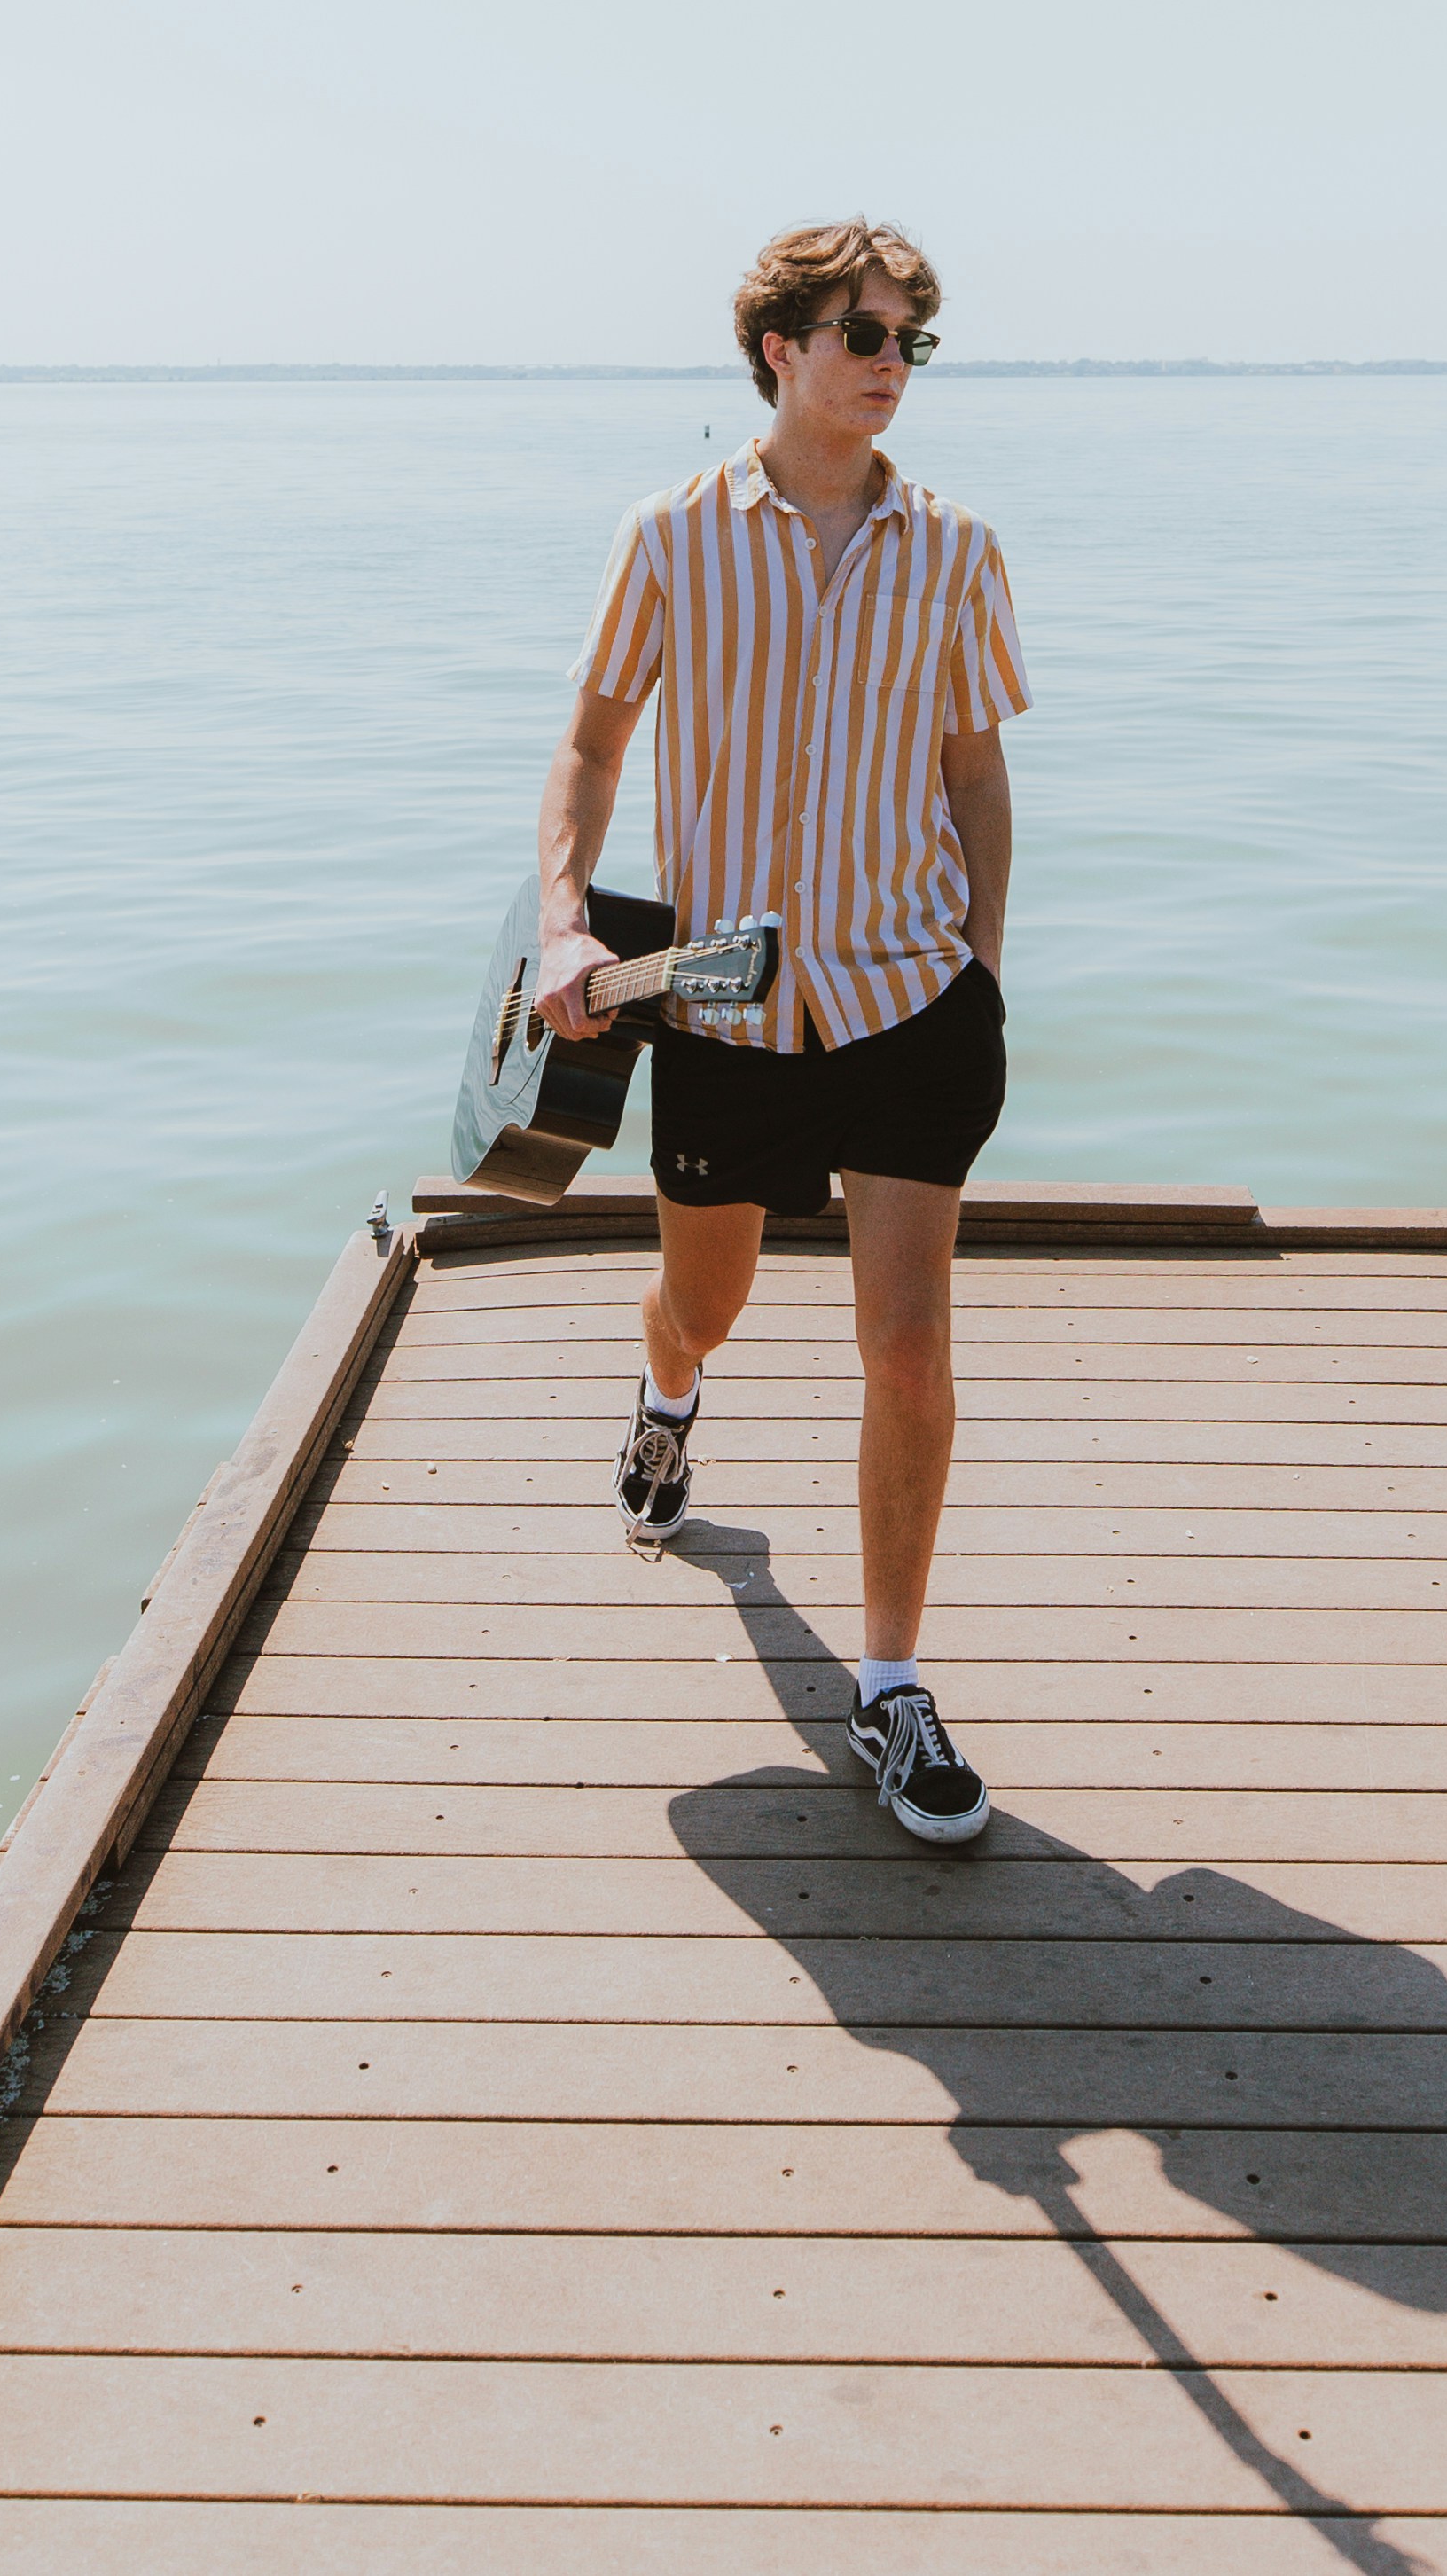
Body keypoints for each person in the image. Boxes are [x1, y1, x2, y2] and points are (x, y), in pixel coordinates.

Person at [532, 219, 1026, 1844]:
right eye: (862, 333)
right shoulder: (671, 537)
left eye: (910, 340)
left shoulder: (957, 551)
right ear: (779, 351)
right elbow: (594, 747)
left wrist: (983, 968)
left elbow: (973, 772)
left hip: (905, 1003)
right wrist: (563, 923)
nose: (891, 361)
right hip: (724, 1009)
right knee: (710, 1296)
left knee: (908, 1345)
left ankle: (890, 1687)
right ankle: (669, 1391)